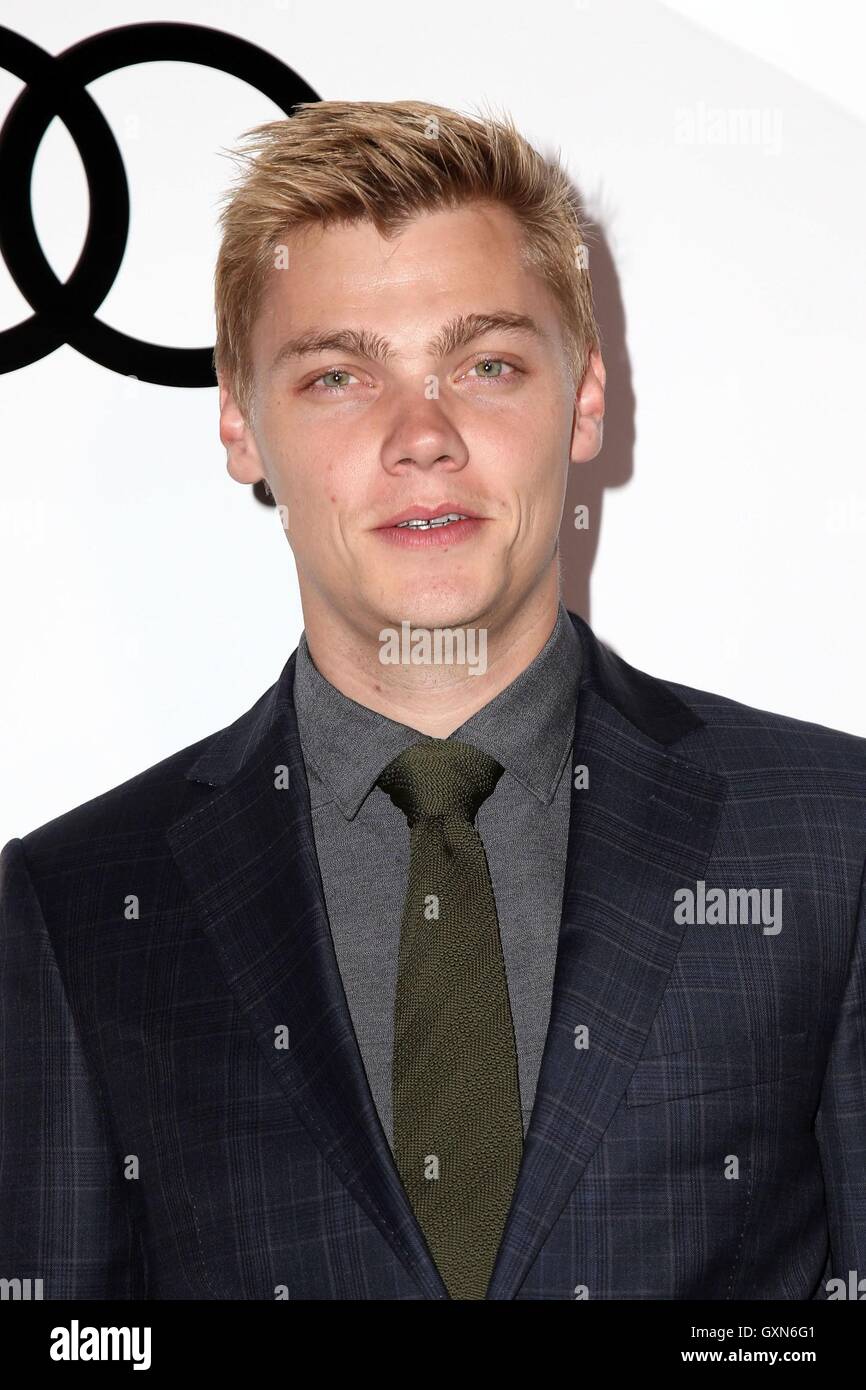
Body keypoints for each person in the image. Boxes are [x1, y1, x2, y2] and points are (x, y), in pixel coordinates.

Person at [1, 99, 863, 1301]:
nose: (422, 435)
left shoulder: (832, 836)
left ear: (585, 400)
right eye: (340, 373)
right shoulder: (79, 902)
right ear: (242, 427)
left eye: (486, 364)